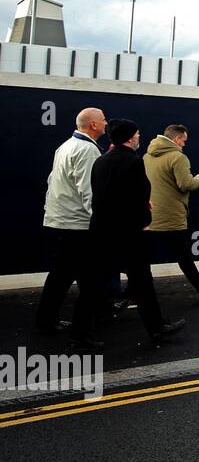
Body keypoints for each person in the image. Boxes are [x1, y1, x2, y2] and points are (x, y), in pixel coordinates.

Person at [86, 119, 186, 349]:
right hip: (127, 233)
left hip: (101, 230)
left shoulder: (101, 161)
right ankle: (157, 328)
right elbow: (138, 197)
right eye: (138, 134)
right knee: (142, 281)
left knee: (94, 285)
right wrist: (145, 221)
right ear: (130, 137)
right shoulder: (132, 162)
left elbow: (100, 196)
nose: (140, 137)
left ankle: (80, 335)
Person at [35, 106, 108, 337]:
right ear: (93, 125)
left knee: (63, 275)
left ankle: (48, 320)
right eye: (103, 120)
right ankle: (82, 332)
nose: (106, 123)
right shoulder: (87, 150)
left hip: (61, 219)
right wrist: (100, 222)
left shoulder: (65, 146)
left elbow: (52, 180)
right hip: (77, 223)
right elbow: (89, 190)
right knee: (83, 277)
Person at [143, 124, 199, 301]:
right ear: (176, 139)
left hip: (150, 214)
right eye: (183, 140)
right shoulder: (178, 157)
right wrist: (198, 178)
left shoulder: (147, 156)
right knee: (183, 255)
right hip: (171, 215)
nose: (184, 144)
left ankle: (135, 293)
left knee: (143, 257)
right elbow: (186, 185)